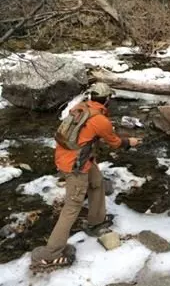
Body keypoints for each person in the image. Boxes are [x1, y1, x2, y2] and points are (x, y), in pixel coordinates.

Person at [30, 82, 141, 272]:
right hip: (75, 166)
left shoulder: (79, 108)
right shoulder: (100, 120)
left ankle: (96, 221)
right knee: (72, 207)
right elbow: (114, 143)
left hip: (73, 158)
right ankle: (50, 255)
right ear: (106, 100)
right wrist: (130, 141)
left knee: (96, 183)